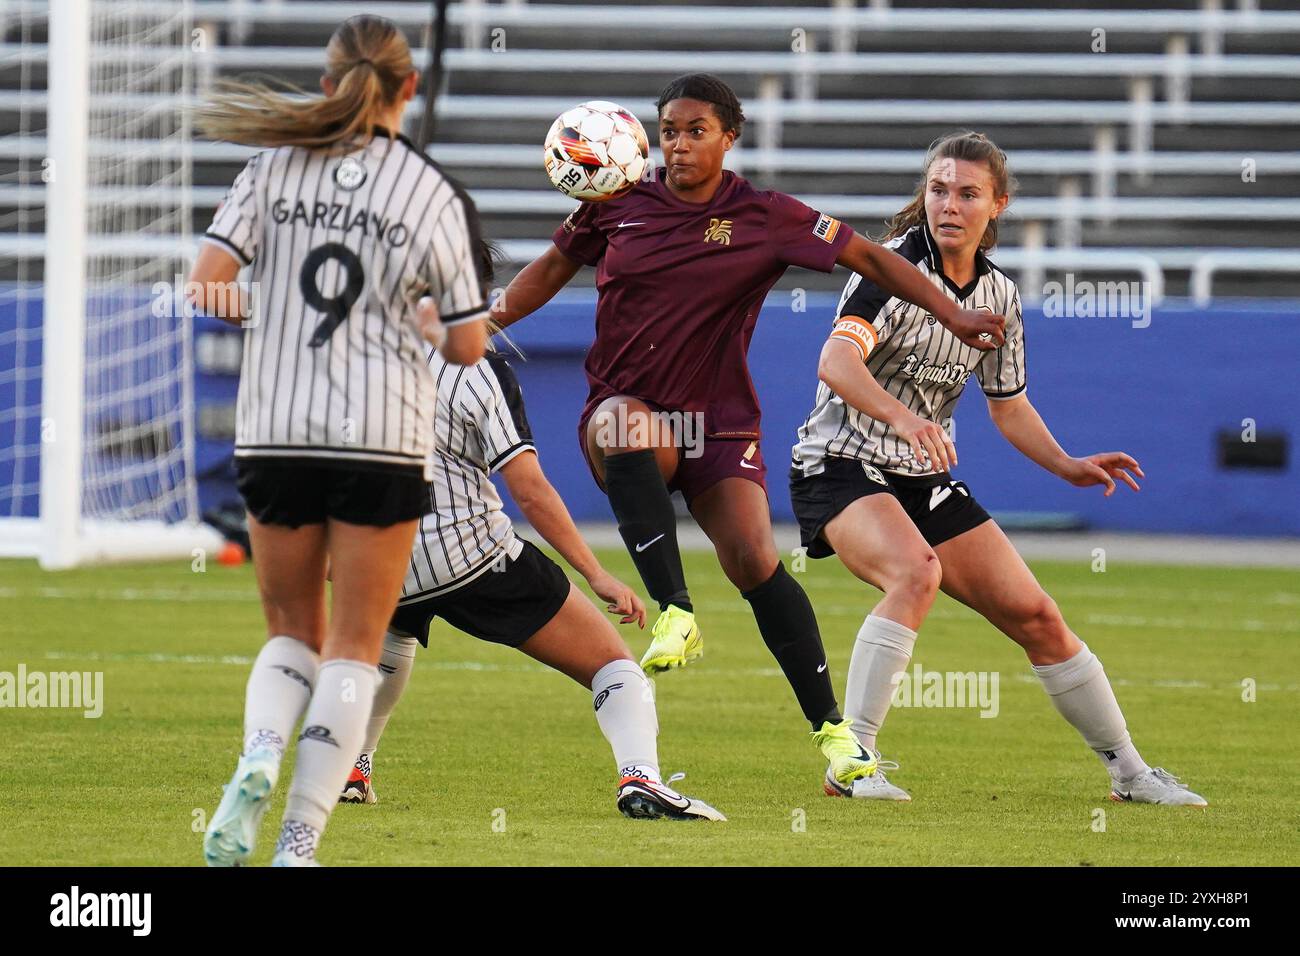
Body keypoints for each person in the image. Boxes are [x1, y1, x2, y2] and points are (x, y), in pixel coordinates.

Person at [493, 73, 1006, 791]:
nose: (679, 144)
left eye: (696, 130)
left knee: (754, 559)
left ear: (729, 137)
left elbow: (869, 257)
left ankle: (837, 739)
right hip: (631, 412)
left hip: (720, 424)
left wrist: (951, 312)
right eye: (669, 130)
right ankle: (675, 611)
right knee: (622, 424)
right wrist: (483, 323)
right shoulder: (616, 201)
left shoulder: (765, 215)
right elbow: (549, 270)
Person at [789, 130, 1206, 806]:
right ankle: (852, 763)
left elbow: (1007, 407)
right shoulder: (889, 272)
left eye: (967, 193)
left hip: (918, 476)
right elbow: (836, 364)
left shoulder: (1001, 298)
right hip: (838, 463)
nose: (948, 204)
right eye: (938, 189)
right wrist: (905, 418)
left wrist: (1067, 465)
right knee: (914, 572)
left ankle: (1131, 773)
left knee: (1038, 616)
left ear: (998, 205)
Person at [189, 15, 489, 867]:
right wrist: (421, 316)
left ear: (328, 85)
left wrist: (276, 309)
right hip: (383, 439)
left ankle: (256, 756)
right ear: (410, 90)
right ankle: (296, 842)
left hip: (277, 431)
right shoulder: (431, 191)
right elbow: (468, 345)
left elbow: (206, 288)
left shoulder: (271, 165)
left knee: (290, 630)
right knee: (357, 644)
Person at [339, 324, 724, 821]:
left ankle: (352, 766)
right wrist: (595, 573)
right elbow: (530, 488)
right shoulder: (477, 368)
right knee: (614, 666)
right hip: (473, 557)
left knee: (395, 637)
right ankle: (641, 778)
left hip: (387, 558)